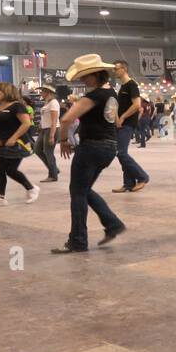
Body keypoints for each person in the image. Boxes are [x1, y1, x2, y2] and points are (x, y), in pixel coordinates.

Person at [51, 55, 126, 253]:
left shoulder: (92, 97)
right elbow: (116, 122)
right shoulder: (111, 94)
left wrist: (64, 140)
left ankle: (78, 241)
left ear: (95, 75)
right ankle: (113, 224)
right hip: (109, 147)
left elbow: (66, 119)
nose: (83, 80)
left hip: (91, 147)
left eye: (86, 76)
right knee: (84, 190)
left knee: (77, 193)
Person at [0, 82, 40, 207]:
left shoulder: (17, 106)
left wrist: (14, 137)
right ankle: (0, 197)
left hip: (16, 144)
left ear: (7, 92)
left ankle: (31, 188)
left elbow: (26, 123)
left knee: (10, 169)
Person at [111, 60, 150, 193]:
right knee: (122, 153)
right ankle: (128, 183)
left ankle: (142, 177)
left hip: (127, 123)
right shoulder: (122, 86)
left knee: (121, 153)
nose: (114, 71)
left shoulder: (131, 85)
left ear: (124, 69)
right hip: (120, 123)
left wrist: (123, 117)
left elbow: (137, 105)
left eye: (116, 69)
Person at [35, 86, 61, 183]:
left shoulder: (54, 103)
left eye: (42, 91)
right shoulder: (47, 103)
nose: (40, 93)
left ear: (48, 92)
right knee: (37, 149)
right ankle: (54, 169)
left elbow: (54, 121)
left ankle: (53, 175)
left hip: (51, 129)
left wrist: (51, 135)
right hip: (44, 129)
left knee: (48, 152)